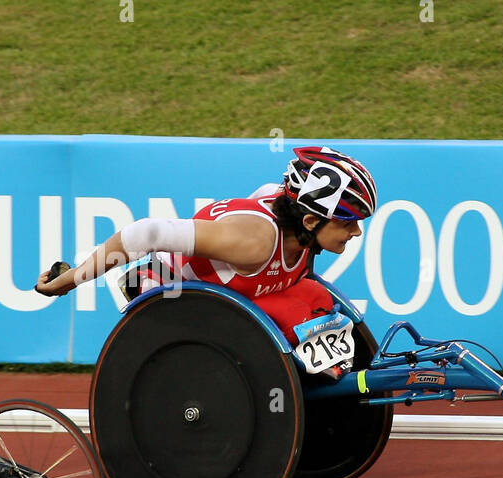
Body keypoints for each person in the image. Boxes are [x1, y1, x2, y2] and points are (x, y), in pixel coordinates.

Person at [34, 145, 377, 348]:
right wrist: (71, 280)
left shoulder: (297, 217)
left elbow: (268, 191)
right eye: (347, 223)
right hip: (178, 293)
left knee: (317, 302)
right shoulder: (255, 243)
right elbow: (146, 234)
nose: (357, 233)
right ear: (310, 221)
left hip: (246, 296)